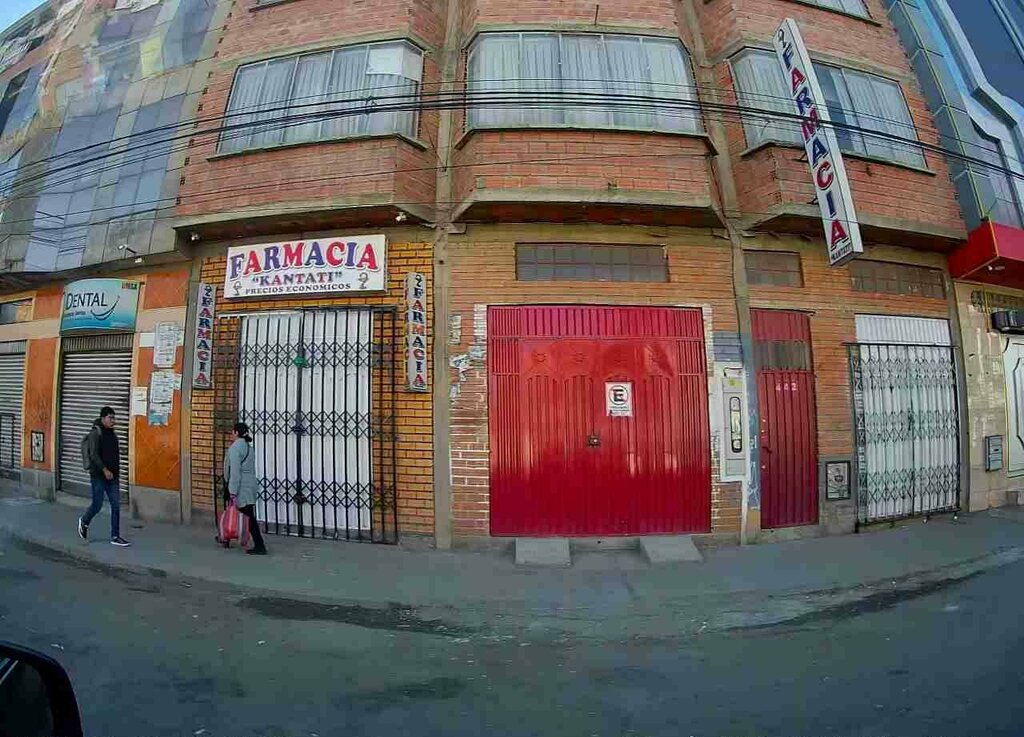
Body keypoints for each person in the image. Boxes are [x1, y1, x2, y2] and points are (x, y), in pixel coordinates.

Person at [77, 407, 130, 547]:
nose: (113, 421)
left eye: (114, 418)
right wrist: (104, 469)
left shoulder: (112, 434)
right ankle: (84, 521)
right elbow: (94, 455)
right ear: (103, 418)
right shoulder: (96, 433)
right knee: (97, 504)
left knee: (115, 505)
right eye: (110, 418)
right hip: (99, 476)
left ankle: (115, 536)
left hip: (113, 476)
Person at [223, 421, 266, 555]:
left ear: (236, 432)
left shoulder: (236, 448)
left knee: (247, 516)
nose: (231, 434)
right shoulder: (249, 447)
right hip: (250, 485)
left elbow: (235, 471)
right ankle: (225, 537)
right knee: (237, 512)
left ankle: (260, 545)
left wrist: (233, 491)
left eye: (232, 432)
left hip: (241, 487)